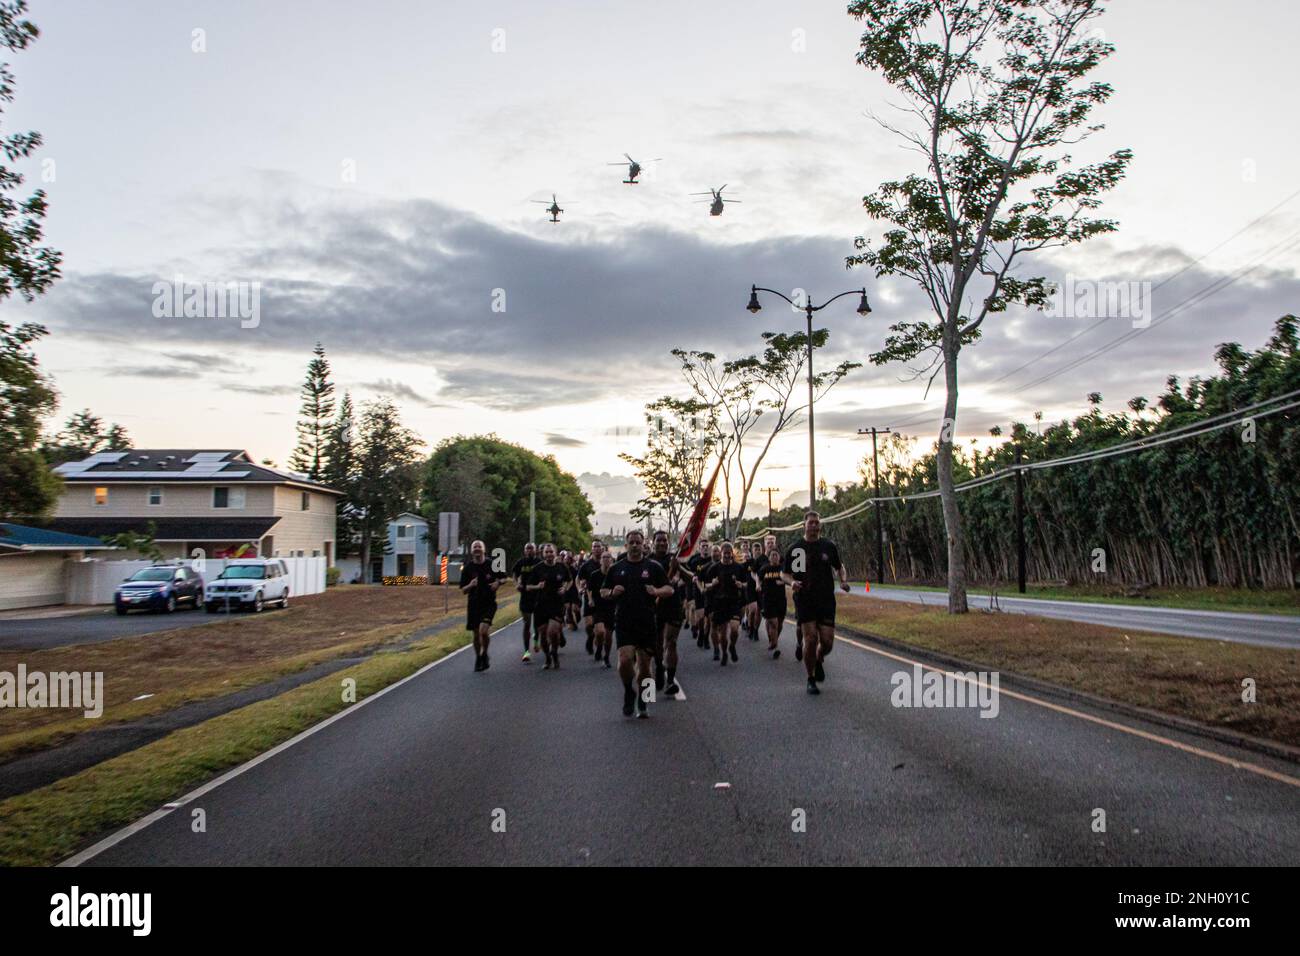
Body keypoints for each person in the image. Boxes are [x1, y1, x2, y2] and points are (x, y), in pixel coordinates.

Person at [602, 530, 672, 718]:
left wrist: (656, 591)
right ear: (626, 546)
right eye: (631, 542)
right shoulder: (616, 568)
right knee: (625, 661)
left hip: (647, 622)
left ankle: (645, 702)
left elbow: (669, 589)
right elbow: (603, 590)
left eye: (638, 542)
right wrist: (611, 593)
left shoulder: (654, 567)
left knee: (645, 668)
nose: (634, 545)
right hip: (624, 621)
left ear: (643, 545)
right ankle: (628, 691)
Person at [782, 512, 849, 695]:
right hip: (805, 599)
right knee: (810, 639)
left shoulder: (828, 546)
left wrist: (842, 580)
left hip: (826, 599)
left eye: (817, 523)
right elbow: (786, 573)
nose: (814, 526)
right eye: (810, 522)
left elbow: (839, 566)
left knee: (827, 643)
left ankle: (819, 659)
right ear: (804, 524)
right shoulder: (797, 549)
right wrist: (792, 583)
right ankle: (810, 678)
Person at [650, 530, 686, 696]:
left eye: (665, 540)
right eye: (659, 540)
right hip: (653, 607)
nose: (662, 543)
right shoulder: (647, 561)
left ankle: (670, 680)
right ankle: (658, 665)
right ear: (653, 542)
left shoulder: (674, 558)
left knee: (671, 642)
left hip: (673, 605)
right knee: (656, 645)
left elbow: (690, 576)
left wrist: (679, 569)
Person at [460, 539, 505, 671]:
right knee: (475, 635)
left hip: (489, 603)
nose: (477, 549)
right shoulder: (468, 568)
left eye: (479, 547)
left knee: (483, 631)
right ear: (472, 550)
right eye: (475, 547)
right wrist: (471, 585)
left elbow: (503, 577)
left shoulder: (492, 564)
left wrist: (498, 583)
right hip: (473, 604)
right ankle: (479, 658)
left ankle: (484, 653)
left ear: (484, 549)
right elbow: (463, 590)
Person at [525, 543, 571, 670]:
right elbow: (528, 587)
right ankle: (547, 657)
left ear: (555, 553)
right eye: (547, 552)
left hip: (556, 604)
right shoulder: (537, 569)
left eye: (551, 552)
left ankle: (554, 653)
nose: (549, 554)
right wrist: (537, 586)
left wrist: (565, 588)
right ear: (543, 554)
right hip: (541, 605)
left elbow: (570, 580)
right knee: (543, 636)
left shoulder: (561, 567)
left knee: (553, 631)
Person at [702, 541, 746, 666]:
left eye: (729, 553)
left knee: (734, 629)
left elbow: (746, 583)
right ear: (721, 553)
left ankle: (732, 646)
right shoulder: (714, 568)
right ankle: (724, 652)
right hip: (719, 603)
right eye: (725, 553)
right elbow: (705, 585)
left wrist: (741, 585)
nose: (727, 556)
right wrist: (713, 584)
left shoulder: (739, 568)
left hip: (734, 602)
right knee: (722, 633)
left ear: (732, 554)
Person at [511, 543, 542, 662]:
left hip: (538, 595)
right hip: (525, 596)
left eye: (531, 549)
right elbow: (514, 574)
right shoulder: (521, 562)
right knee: (527, 623)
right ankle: (526, 651)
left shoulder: (539, 562)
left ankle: (536, 639)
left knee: (537, 623)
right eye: (527, 549)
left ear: (536, 551)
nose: (529, 551)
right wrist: (516, 584)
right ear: (524, 551)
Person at [587, 549, 616, 667]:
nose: (606, 559)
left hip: (612, 607)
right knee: (600, 632)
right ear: (600, 561)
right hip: (598, 607)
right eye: (603, 557)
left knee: (608, 635)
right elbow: (589, 589)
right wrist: (590, 599)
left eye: (608, 557)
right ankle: (599, 648)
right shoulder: (595, 575)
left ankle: (606, 657)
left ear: (612, 560)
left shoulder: (616, 575)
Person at [759, 542, 788, 659]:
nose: (774, 557)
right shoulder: (764, 569)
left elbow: (790, 579)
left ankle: (773, 640)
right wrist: (758, 586)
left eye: (776, 555)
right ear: (769, 557)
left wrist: (782, 582)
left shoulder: (783, 569)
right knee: (774, 623)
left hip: (781, 599)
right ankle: (775, 646)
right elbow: (758, 580)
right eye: (772, 555)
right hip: (768, 599)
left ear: (779, 557)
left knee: (779, 623)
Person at [577, 540, 605, 655]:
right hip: (589, 598)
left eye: (599, 546)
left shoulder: (607, 563)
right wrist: (579, 588)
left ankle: (599, 648)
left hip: (603, 600)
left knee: (600, 631)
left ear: (602, 549)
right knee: (589, 625)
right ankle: (590, 638)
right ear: (592, 549)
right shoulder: (586, 565)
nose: (597, 548)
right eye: (594, 546)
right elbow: (578, 579)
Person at [686, 538, 712, 649]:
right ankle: (701, 632)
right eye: (703, 546)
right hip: (698, 590)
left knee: (709, 617)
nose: (705, 548)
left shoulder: (713, 560)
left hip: (710, 591)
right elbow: (690, 573)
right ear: (699, 548)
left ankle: (706, 637)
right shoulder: (694, 561)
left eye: (707, 546)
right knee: (701, 617)